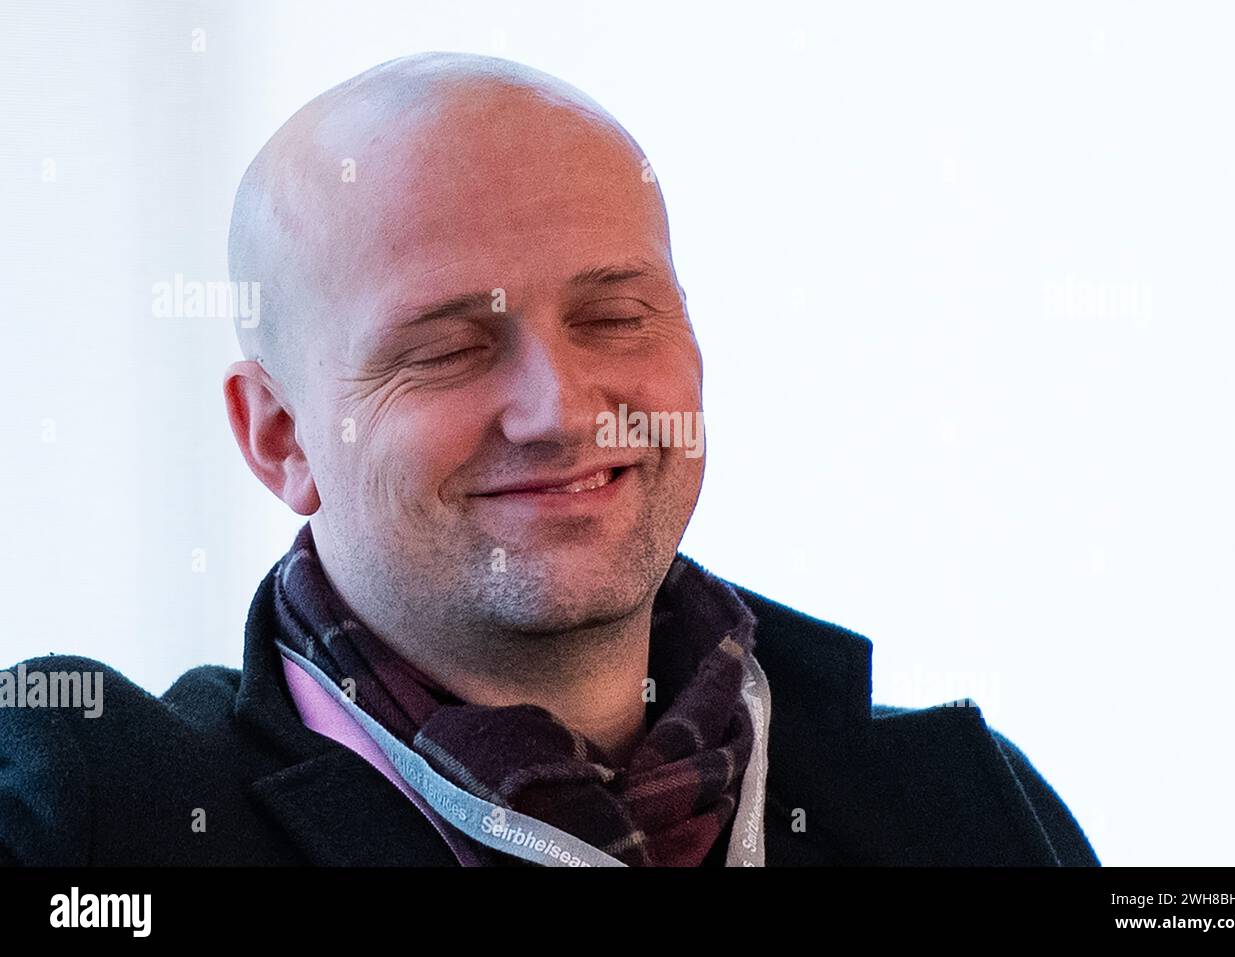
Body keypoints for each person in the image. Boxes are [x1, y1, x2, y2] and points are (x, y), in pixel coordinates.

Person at [0, 53, 1099, 867]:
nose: (558, 410)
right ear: (280, 436)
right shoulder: (84, 824)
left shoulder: (966, 806)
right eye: (445, 349)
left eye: (615, 317)